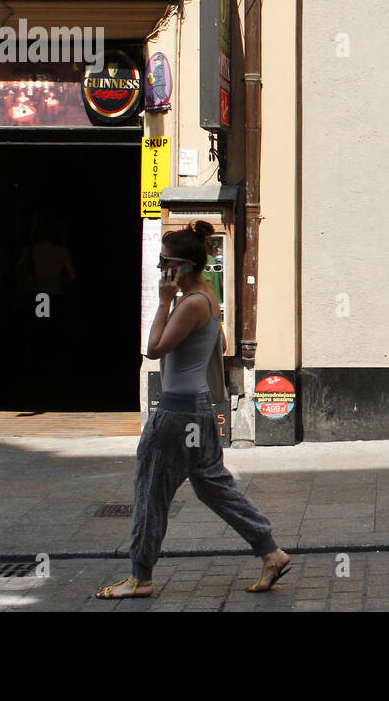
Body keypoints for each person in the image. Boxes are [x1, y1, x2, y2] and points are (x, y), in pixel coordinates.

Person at [97, 220, 289, 599]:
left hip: (176, 414)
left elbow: (154, 349)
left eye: (162, 262)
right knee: (213, 486)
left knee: (151, 489)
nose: (158, 269)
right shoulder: (206, 296)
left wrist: (164, 300)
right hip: (198, 411)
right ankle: (270, 551)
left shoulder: (190, 304)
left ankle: (139, 577)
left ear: (179, 267)